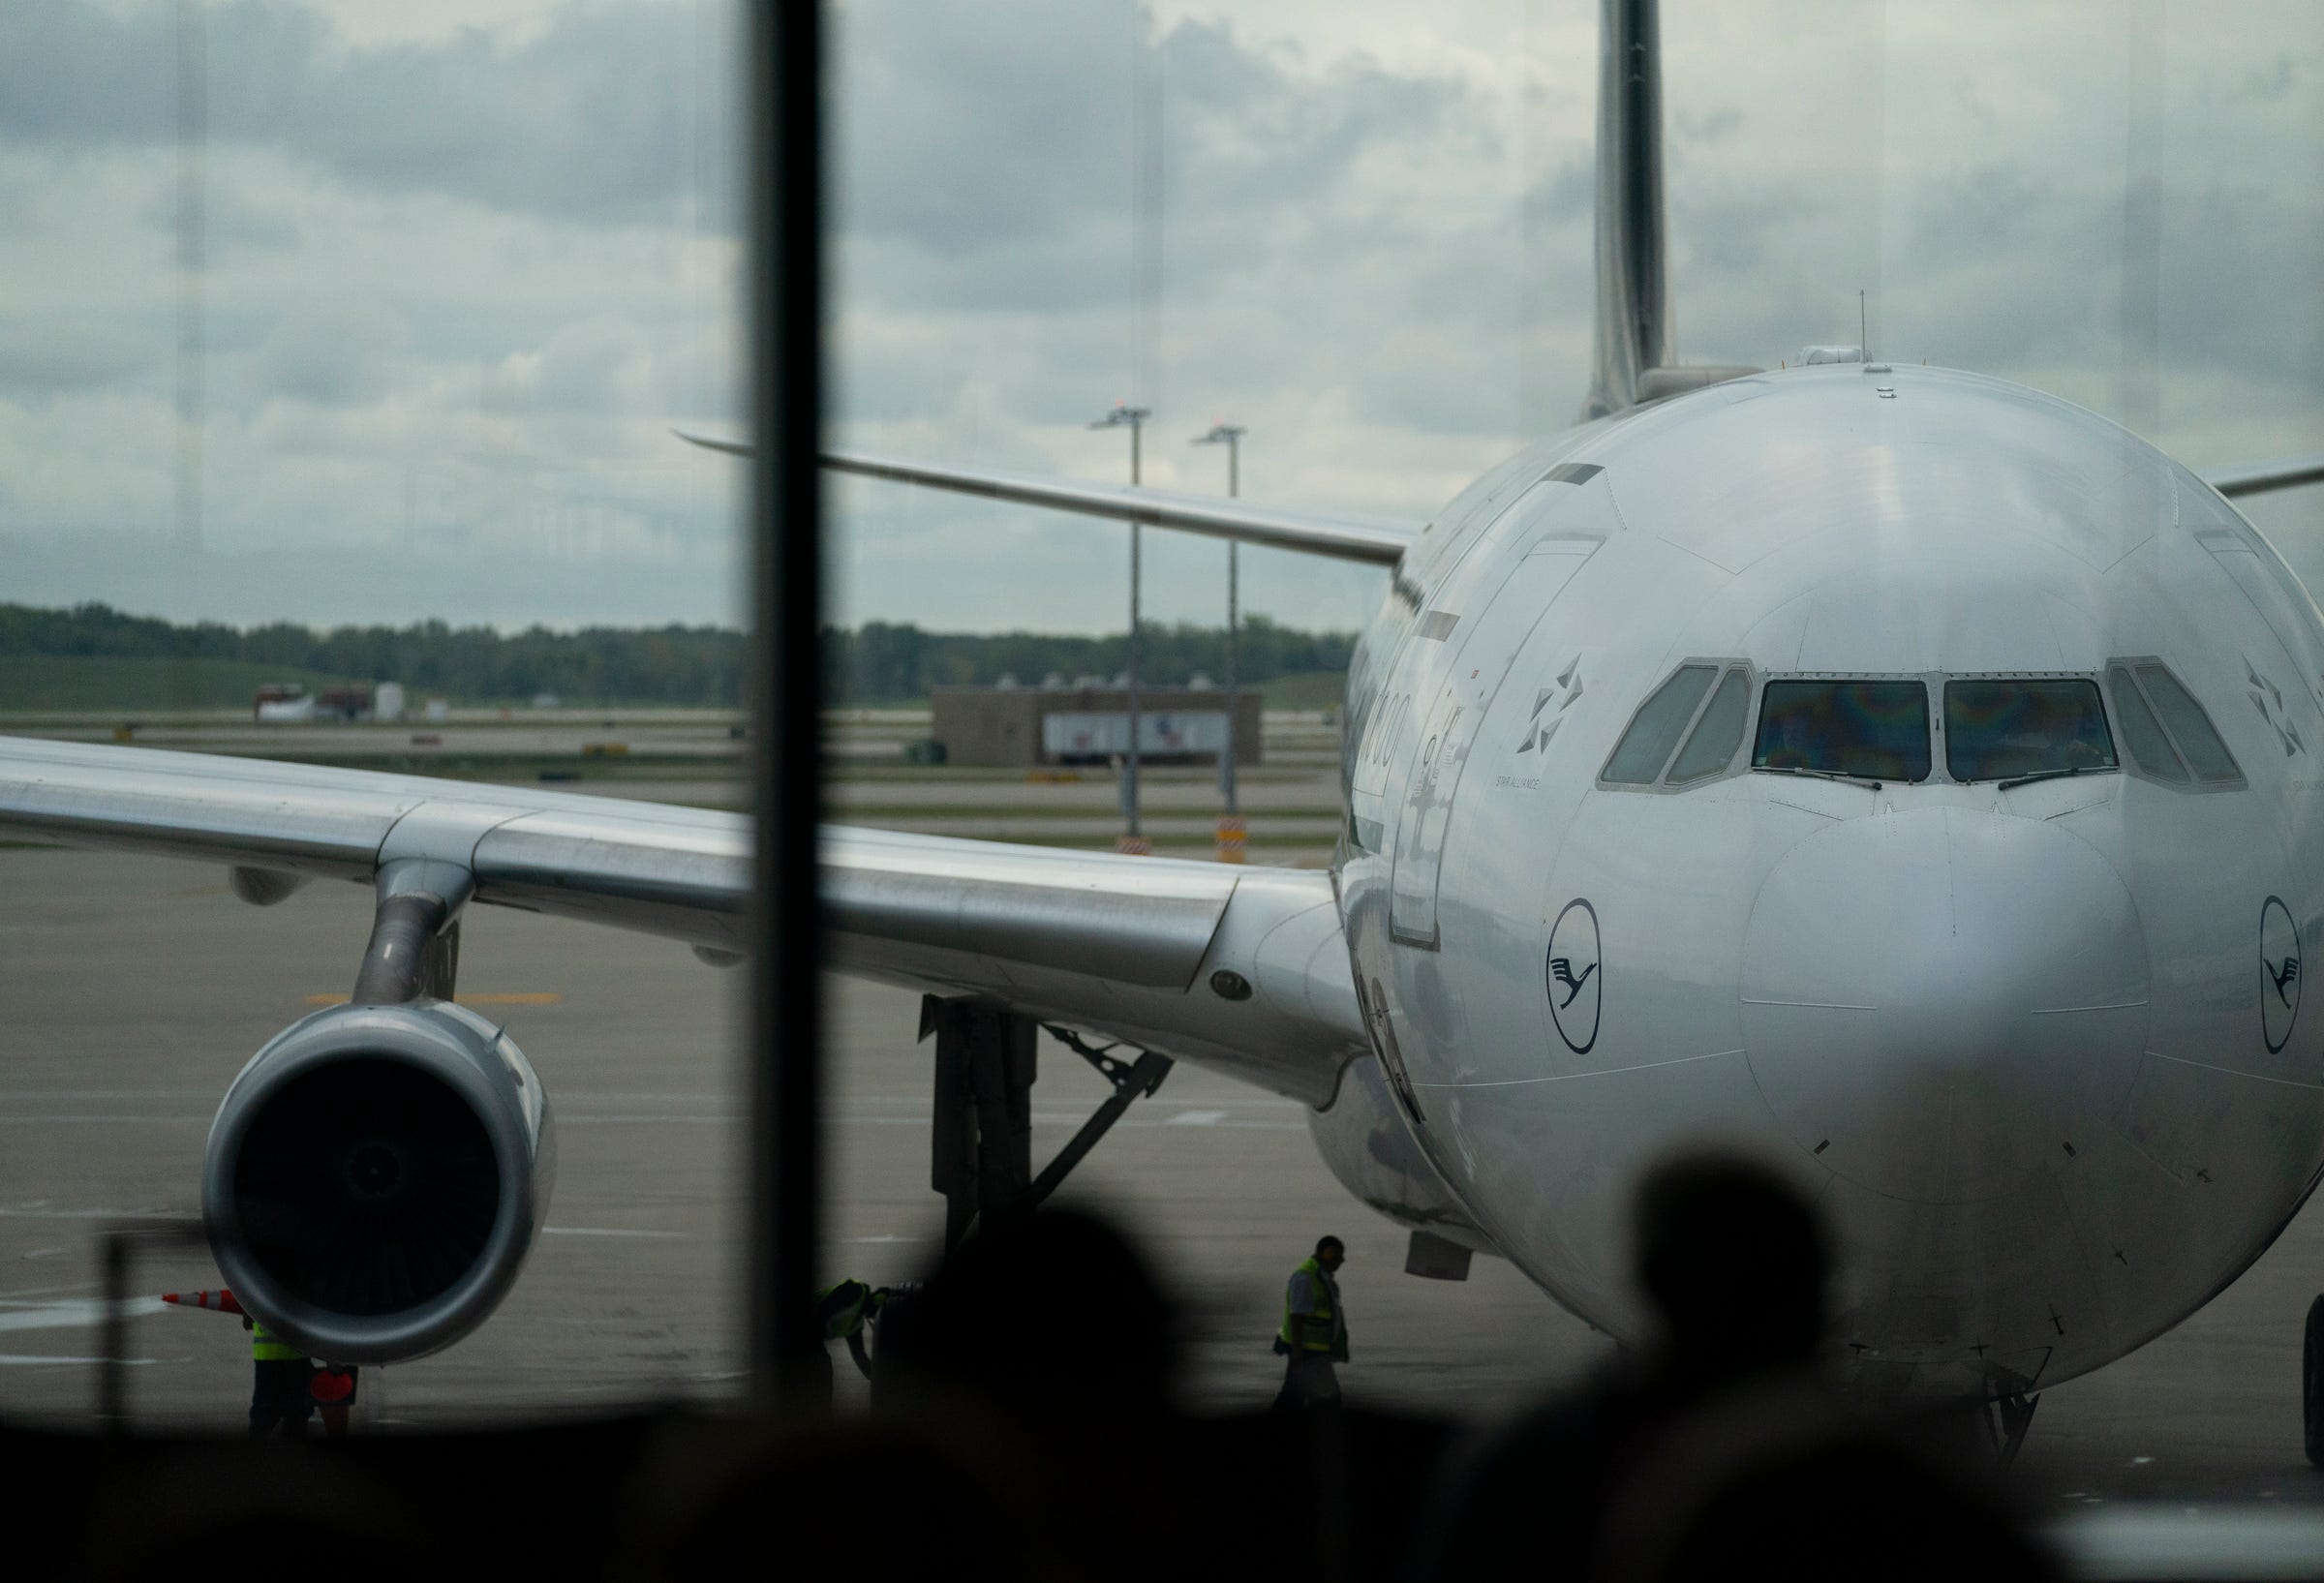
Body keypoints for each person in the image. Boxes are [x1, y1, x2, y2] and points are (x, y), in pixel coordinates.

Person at [1272, 1234, 1348, 1410]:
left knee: (1297, 1395)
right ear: (1328, 1255)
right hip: (1306, 1351)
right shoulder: (1305, 1277)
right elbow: (1296, 1315)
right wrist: (1298, 1353)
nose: (1342, 1261)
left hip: (1316, 1350)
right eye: (1338, 1256)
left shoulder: (1324, 1278)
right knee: (1323, 1397)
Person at [244, 1316, 314, 1439]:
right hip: (297, 1357)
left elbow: (247, 1323)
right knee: (297, 1413)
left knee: (264, 1412)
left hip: (267, 1356)